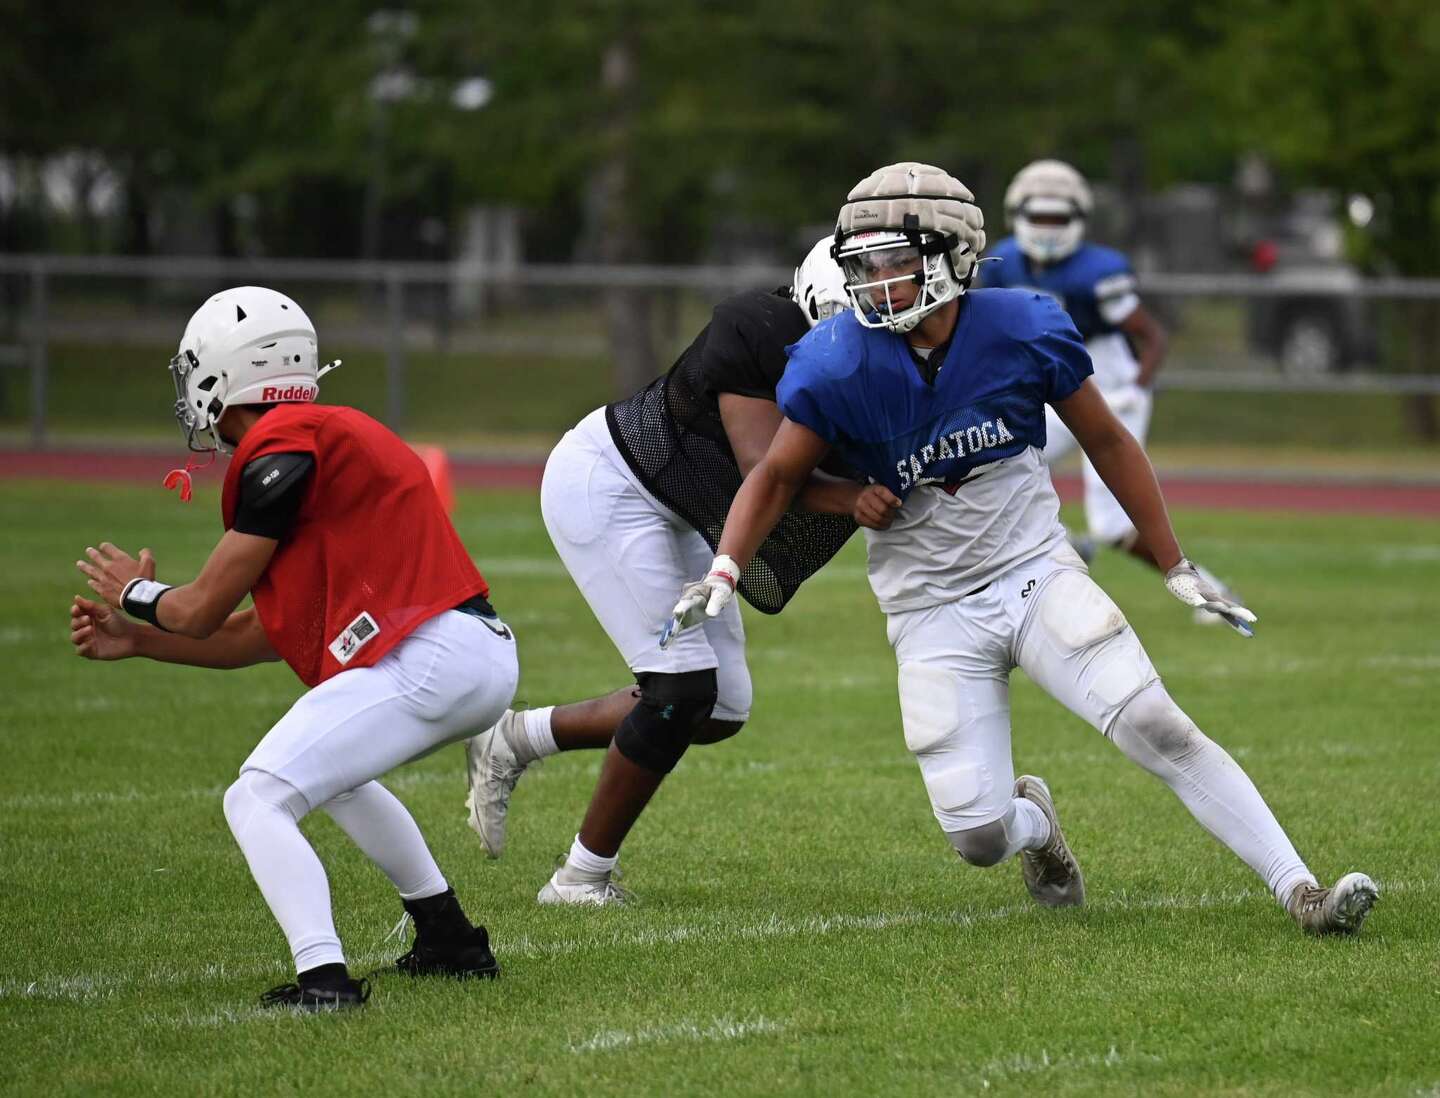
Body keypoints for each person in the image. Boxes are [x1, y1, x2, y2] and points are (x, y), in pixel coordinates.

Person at [668, 163, 1376, 934]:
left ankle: (1302, 891)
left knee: (1159, 726)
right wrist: (726, 567)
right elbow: (775, 474)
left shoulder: (1021, 327)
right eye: (863, 265)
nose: (875, 283)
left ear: (951, 258)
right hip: (929, 607)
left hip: (1032, 570)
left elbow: (1106, 439)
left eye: (892, 263)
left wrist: (1175, 563)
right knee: (976, 838)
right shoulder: (839, 359)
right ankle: (1036, 824)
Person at [70, 287, 519, 1010]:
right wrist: (145, 641)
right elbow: (258, 633)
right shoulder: (321, 441)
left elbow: (204, 605)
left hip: (435, 653)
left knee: (255, 798)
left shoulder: (285, 445)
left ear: (225, 375)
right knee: (333, 778)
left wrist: (135, 596)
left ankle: (325, 980)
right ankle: (449, 938)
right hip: (466, 649)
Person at [463, 241, 895, 905]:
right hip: (612, 487)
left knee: (720, 707)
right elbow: (765, 469)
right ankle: (580, 878)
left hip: (680, 509)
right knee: (681, 689)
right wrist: (853, 497)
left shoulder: (882, 348)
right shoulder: (755, 328)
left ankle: (517, 738)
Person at [982, 159, 1242, 625]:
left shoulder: (1098, 270)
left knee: (1110, 525)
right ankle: (1057, 548)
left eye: (1057, 219)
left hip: (1105, 376)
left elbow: (1153, 337)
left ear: (1079, 220)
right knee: (997, 465)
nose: (1046, 229)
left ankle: (1209, 590)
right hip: (1047, 376)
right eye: (1038, 217)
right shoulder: (1003, 264)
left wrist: (1135, 390)